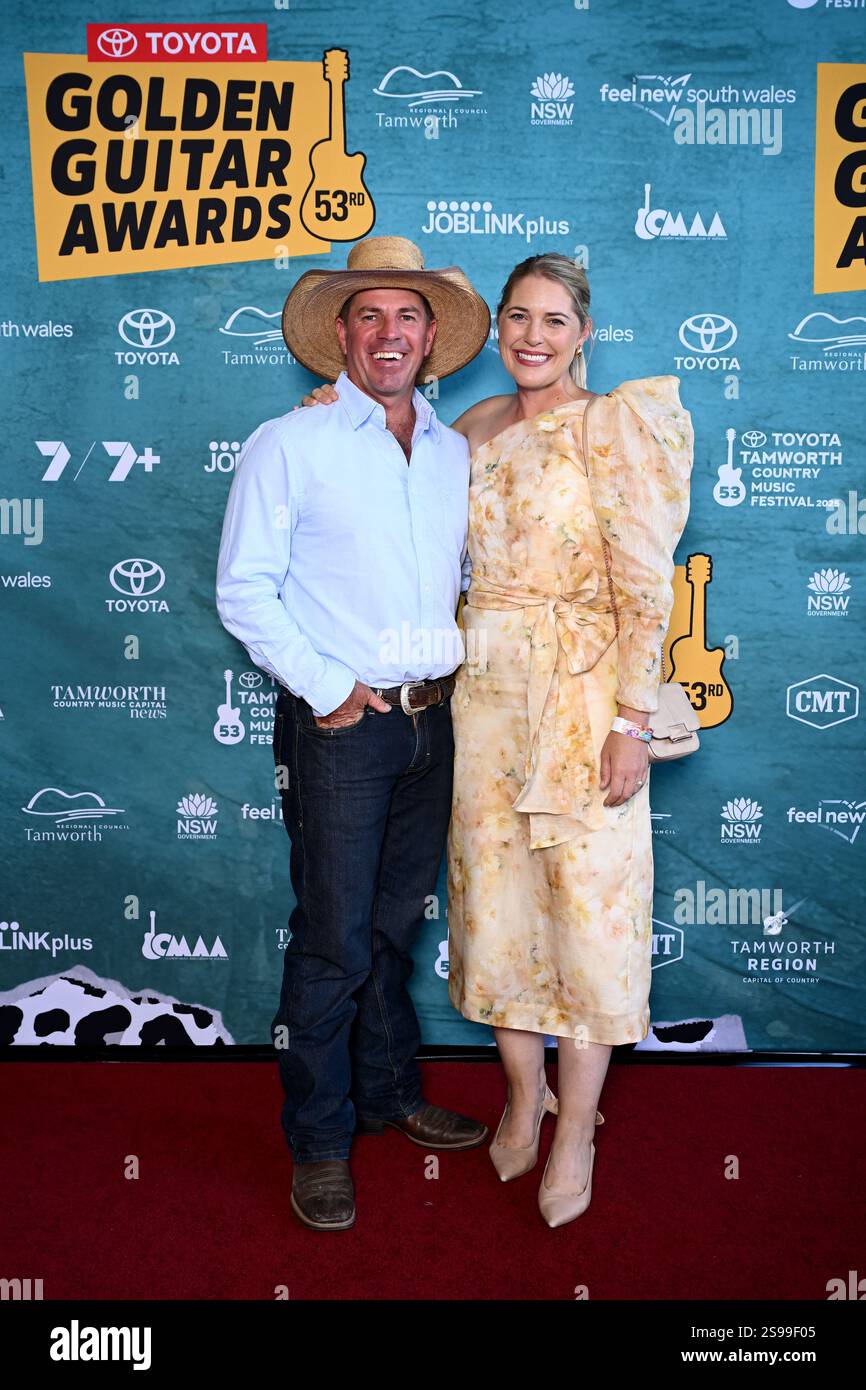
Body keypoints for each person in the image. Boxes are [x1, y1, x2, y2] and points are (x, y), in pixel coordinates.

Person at [302, 251, 694, 1228]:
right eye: (517, 316)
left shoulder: (615, 426)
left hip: (586, 699)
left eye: (553, 320)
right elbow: (384, 476)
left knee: (590, 925)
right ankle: (525, 1098)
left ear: (583, 333)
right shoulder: (465, 429)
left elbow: (646, 590)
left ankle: (576, 1131)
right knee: (500, 916)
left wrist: (630, 723)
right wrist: (332, 413)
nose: (530, 336)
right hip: (479, 702)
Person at [215, 236, 492, 1232]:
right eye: (368, 316)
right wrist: (329, 689)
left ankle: (386, 1090)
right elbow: (242, 588)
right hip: (342, 727)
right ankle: (321, 1140)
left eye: (406, 317)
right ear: (339, 334)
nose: (388, 333)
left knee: (388, 929)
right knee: (333, 941)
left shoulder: (455, 449)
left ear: (430, 337)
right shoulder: (289, 442)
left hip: (432, 724)